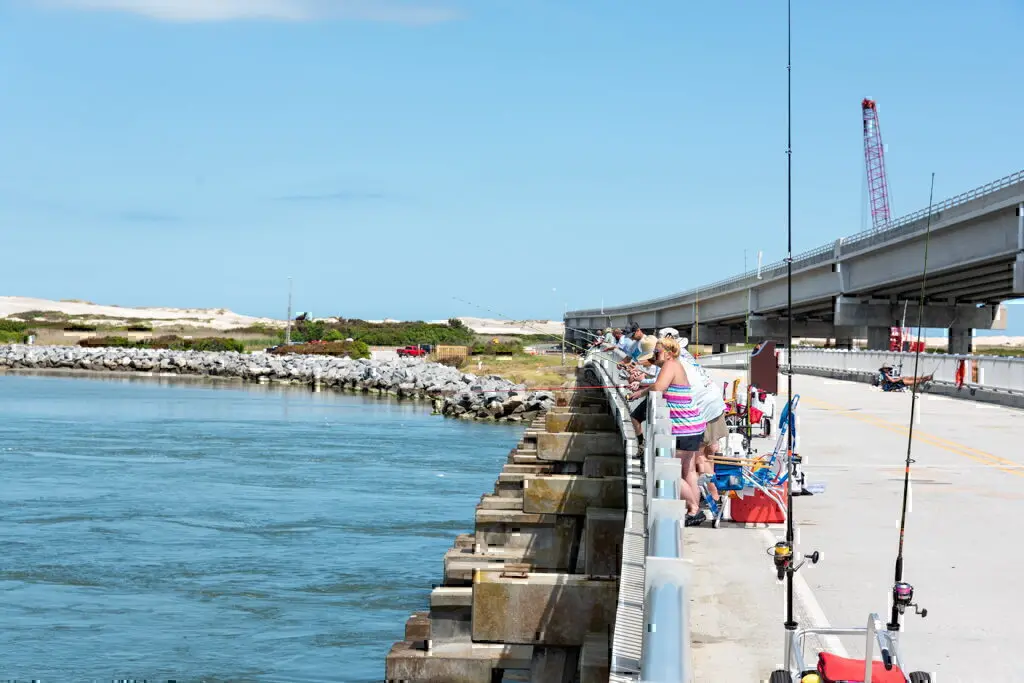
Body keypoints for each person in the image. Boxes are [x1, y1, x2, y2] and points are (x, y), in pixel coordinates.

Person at [648, 337, 707, 526]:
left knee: (670, 470)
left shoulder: (670, 365)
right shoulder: (675, 365)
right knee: (688, 470)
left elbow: (658, 387)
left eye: (657, 352)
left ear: (669, 353)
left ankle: (694, 508)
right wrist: (643, 389)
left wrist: (643, 390)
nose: (655, 355)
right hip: (693, 425)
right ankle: (694, 510)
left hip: (683, 427)